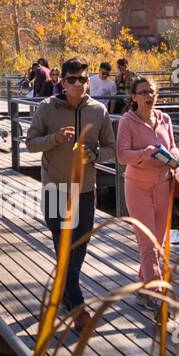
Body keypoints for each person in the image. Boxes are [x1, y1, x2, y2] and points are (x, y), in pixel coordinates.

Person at [25, 57, 117, 334]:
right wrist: (55, 139)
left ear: (89, 81)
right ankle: (78, 308)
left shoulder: (98, 110)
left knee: (79, 250)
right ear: (62, 82)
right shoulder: (47, 108)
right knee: (64, 249)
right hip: (55, 187)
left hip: (85, 189)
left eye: (82, 79)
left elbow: (111, 148)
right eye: (72, 79)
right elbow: (30, 143)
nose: (78, 84)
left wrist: (96, 155)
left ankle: (65, 292)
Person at [116, 76, 179, 323]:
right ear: (134, 97)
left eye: (153, 92)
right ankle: (158, 297)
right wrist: (147, 154)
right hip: (137, 187)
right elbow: (123, 155)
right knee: (148, 244)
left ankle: (144, 291)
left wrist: (172, 154)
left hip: (163, 184)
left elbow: (176, 149)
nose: (149, 96)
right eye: (143, 92)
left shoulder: (164, 119)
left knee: (160, 240)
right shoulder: (128, 121)